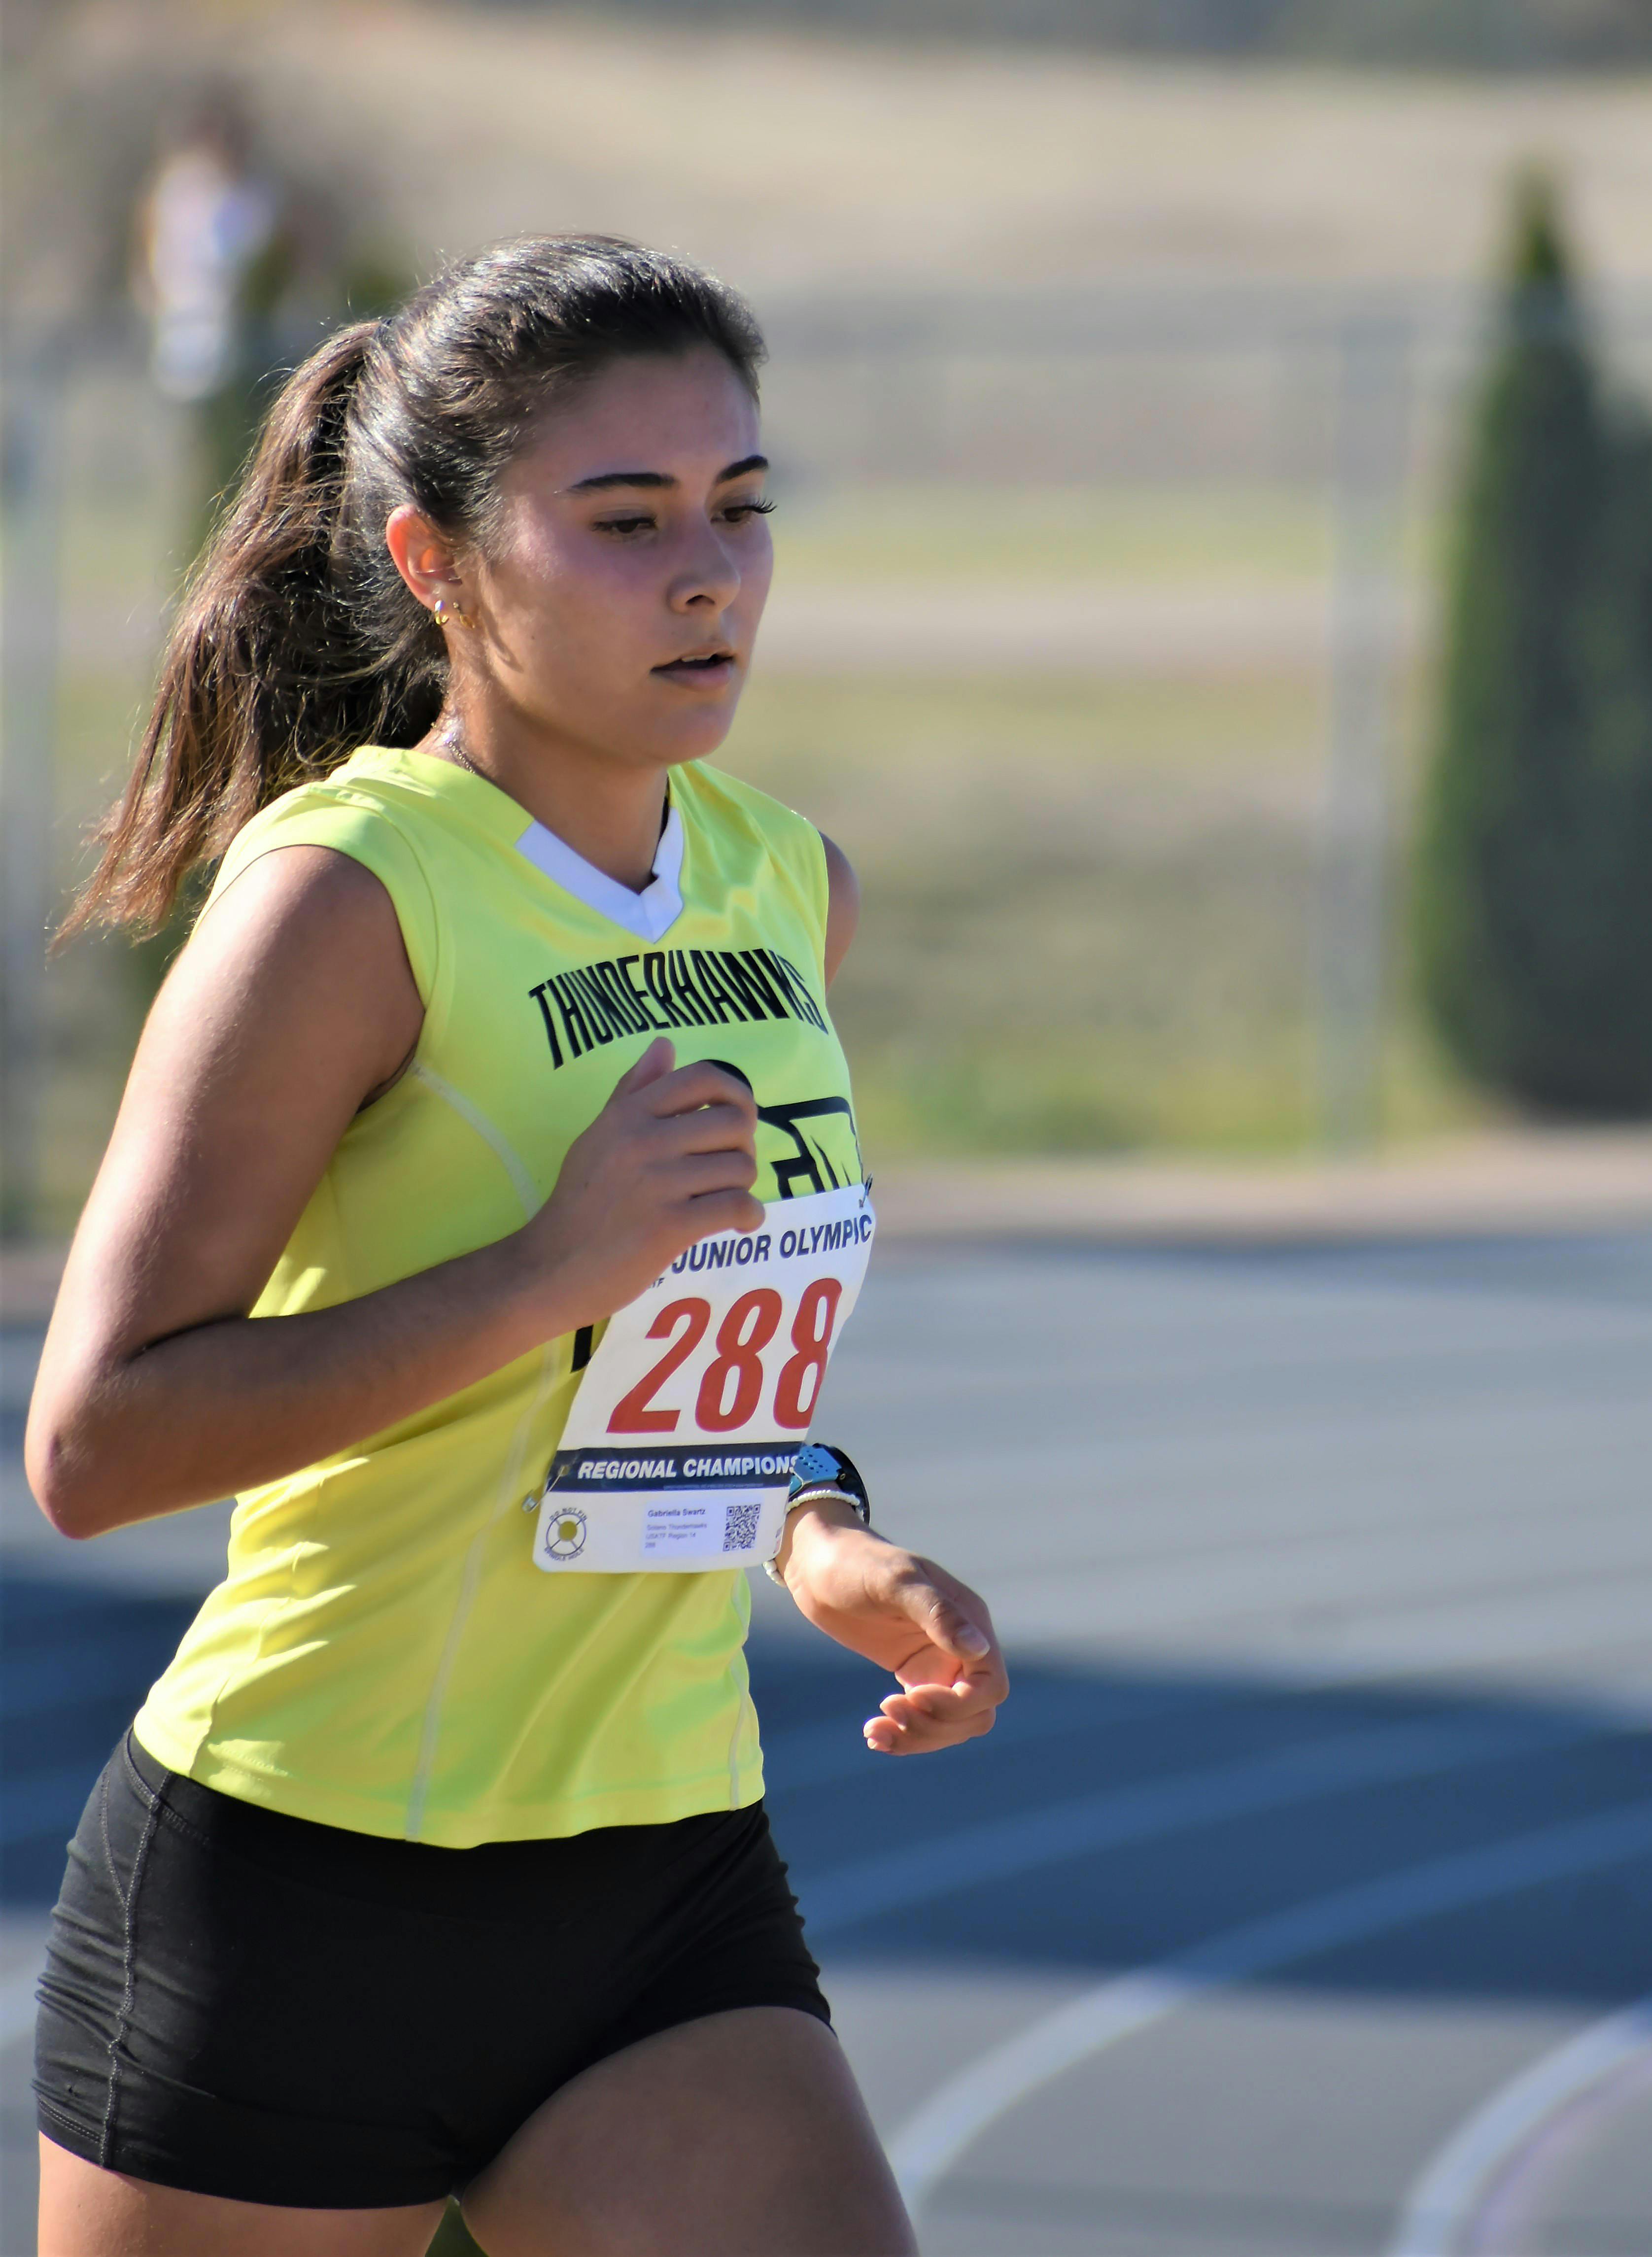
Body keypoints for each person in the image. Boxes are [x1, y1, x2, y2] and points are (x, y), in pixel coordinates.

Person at [28, 234, 1006, 2257]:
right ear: (434, 560)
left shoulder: (778, 880)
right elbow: (96, 1442)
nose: (708, 574)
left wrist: (819, 1517)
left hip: (657, 1872)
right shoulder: (345, 900)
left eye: (742, 509)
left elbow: (693, 1333)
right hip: (308, 1877)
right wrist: (537, 1270)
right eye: (625, 520)